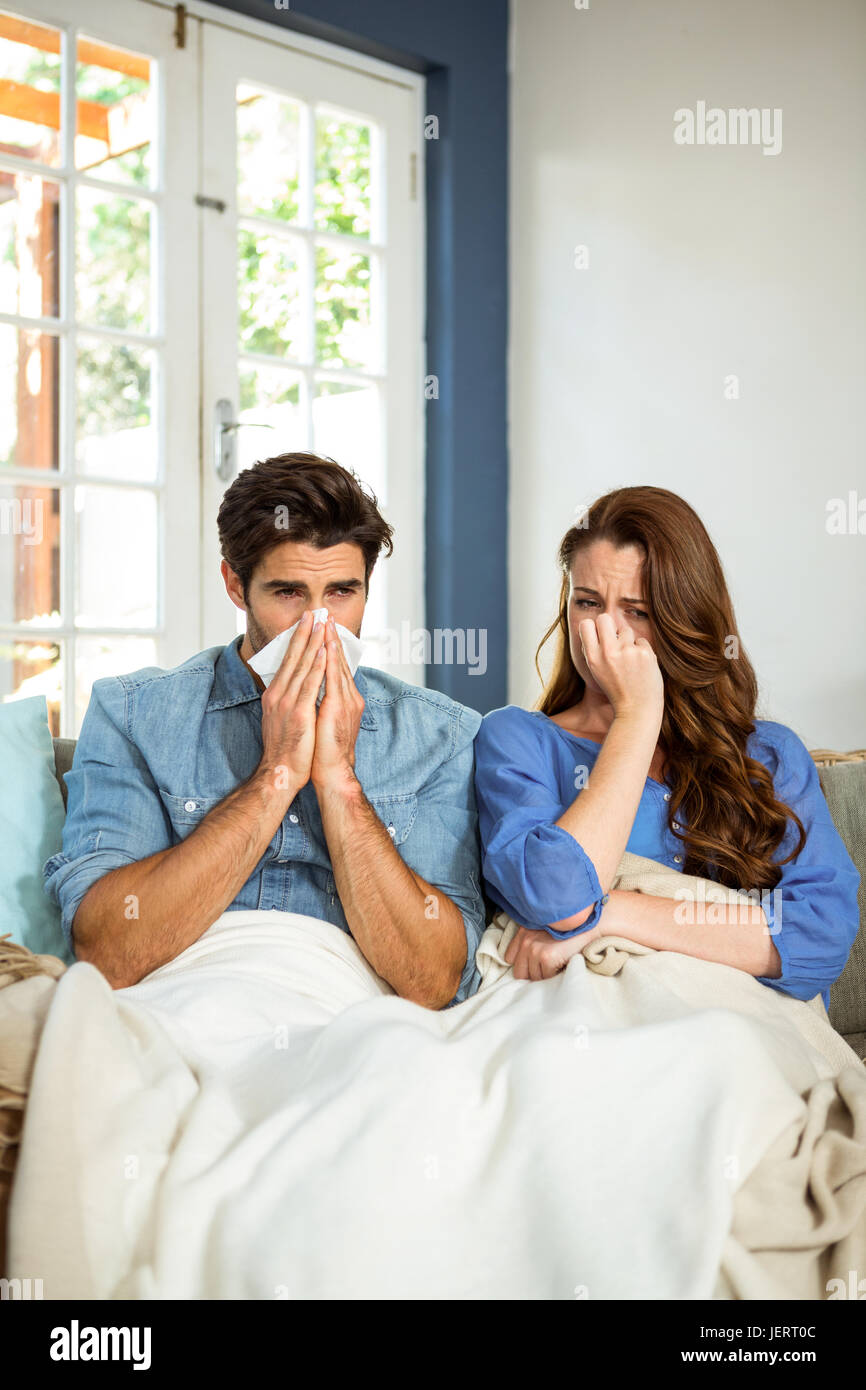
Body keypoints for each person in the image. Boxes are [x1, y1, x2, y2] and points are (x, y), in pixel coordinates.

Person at [43, 453, 486, 1009]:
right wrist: (276, 774)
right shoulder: (132, 715)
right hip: (185, 1003)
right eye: (289, 593)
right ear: (235, 584)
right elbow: (108, 952)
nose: (318, 625)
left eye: (342, 593)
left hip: (350, 1015)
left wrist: (340, 782)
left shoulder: (441, 735)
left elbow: (434, 980)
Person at [473, 486, 860, 1006]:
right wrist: (635, 718)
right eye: (587, 602)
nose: (605, 631)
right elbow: (558, 903)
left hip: (737, 1025)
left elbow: (819, 940)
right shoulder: (519, 741)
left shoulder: (766, 756)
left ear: (685, 621)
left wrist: (612, 913)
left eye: (637, 612)